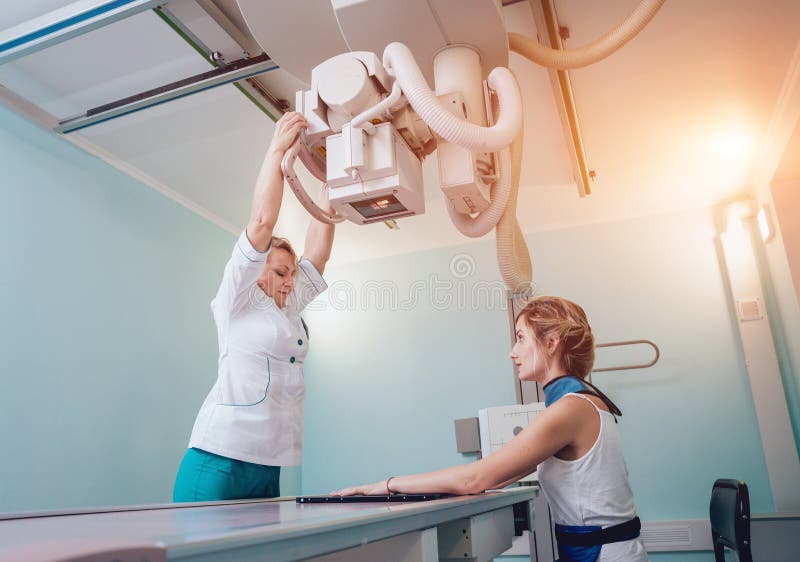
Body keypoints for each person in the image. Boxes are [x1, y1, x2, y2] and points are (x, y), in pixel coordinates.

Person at [335, 296, 647, 561]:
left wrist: (388, 484)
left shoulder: (570, 408)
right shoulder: (580, 403)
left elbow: (477, 478)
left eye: (521, 337)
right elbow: (504, 474)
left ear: (551, 343)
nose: (513, 351)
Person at [174, 111, 335, 502]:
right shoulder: (237, 300)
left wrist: (336, 178)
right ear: (256, 271)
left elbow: (319, 251)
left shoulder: (287, 305)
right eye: (281, 271)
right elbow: (261, 222)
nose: (290, 280)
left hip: (269, 463)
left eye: (291, 273)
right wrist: (278, 148)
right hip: (219, 458)